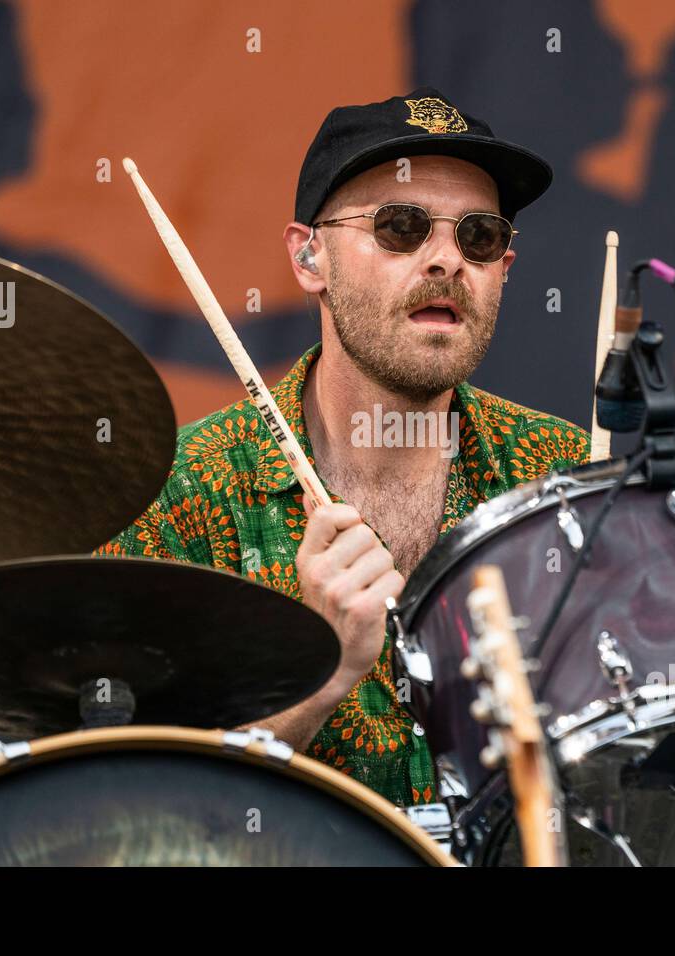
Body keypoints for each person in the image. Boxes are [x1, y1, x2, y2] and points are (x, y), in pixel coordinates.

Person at [99, 87, 589, 806]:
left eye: (478, 236)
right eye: (401, 226)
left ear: (503, 270)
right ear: (309, 258)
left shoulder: (564, 474)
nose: (447, 259)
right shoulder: (179, 494)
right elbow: (124, 822)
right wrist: (317, 677)